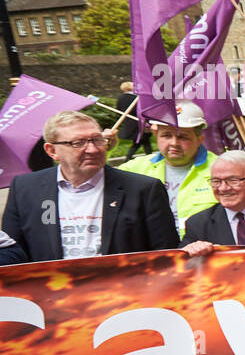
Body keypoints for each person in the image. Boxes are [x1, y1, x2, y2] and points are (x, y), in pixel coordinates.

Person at [3, 111, 178, 261]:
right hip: (49, 293)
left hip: (122, 295)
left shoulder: (143, 189)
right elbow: (14, 255)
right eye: (78, 143)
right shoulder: (25, 189)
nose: (93, 149)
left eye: (97, 139)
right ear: (52, 151)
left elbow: (166, 255)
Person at [120, 100, 217, 232]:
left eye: (183, 137)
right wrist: (103, 150)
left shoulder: (220, 169)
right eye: (166, 135)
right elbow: (96, 182)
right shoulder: (135, 168)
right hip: (153, 248)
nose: (174, 143)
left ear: (200, 139)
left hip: (203, 248)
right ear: (156, 136)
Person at [117, 81, 145, 158]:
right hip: (138, 122)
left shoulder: (120, 98)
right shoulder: (136, 98)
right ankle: (128, 157)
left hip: (127, 121)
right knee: (142, 140)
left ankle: (129, 157)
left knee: (141, 140)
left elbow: (119, 111)